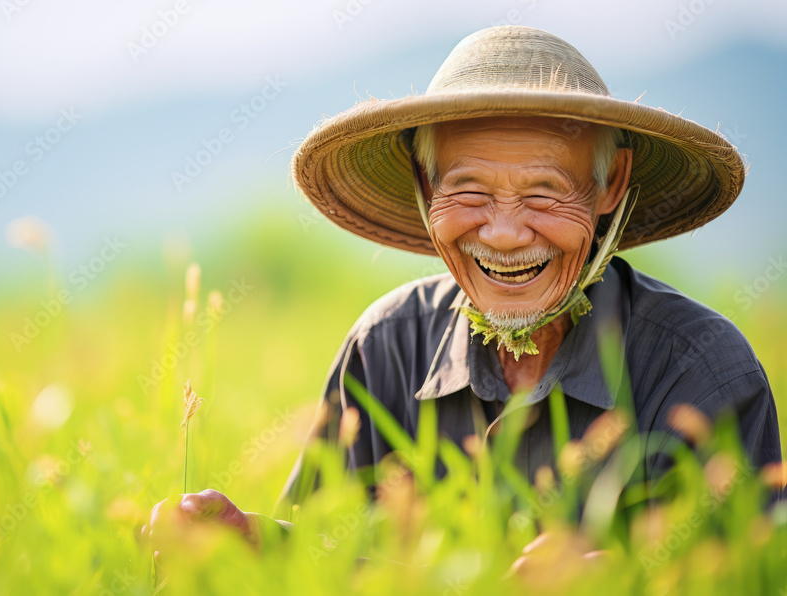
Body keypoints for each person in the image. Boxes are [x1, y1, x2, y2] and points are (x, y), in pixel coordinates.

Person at [143, 25, 782, 549]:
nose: (503, 235)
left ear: (610, 185)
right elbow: (326, 556)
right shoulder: (387, 348)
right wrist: (246, 541)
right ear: (425, 186)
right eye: (469, 191)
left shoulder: (698, 370)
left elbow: (744, 573)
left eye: (544, 193)